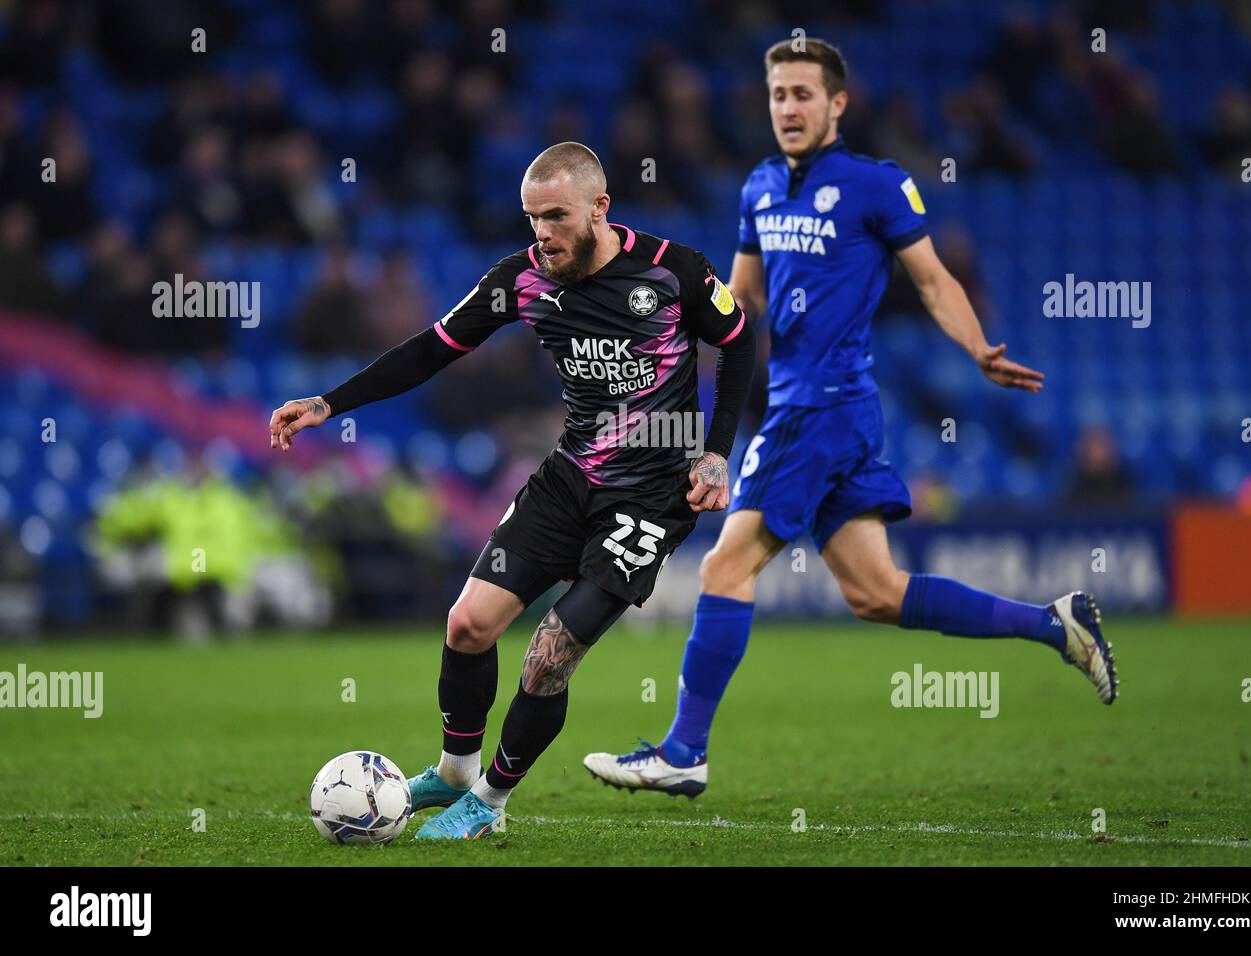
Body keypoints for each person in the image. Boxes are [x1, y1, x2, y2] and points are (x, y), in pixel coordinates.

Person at [583, 39, 1117, 800]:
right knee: (877, 594)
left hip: (821, 408)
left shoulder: (876, 185)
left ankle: (683, 751)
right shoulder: (759, 187)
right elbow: (745, 298)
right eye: (777, 95)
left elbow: (933, 280)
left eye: (803, 94)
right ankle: (1054, 623)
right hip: (828, 413)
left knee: (723, 567)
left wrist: (976, 350)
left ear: (838, 103)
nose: (788, 108)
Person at [269, 142, 755, 838]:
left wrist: (715, 454)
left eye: (556, 217)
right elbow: (432, 348)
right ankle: (455, 770)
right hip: (568, 478)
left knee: (548, 654)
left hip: (652, 496)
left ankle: (490, 803)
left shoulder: (676, 270)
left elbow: (739, 341)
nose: (543, 234)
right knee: (467, 624)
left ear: (599, 207)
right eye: (532, 218)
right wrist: (329, 403)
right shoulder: (520, 280)